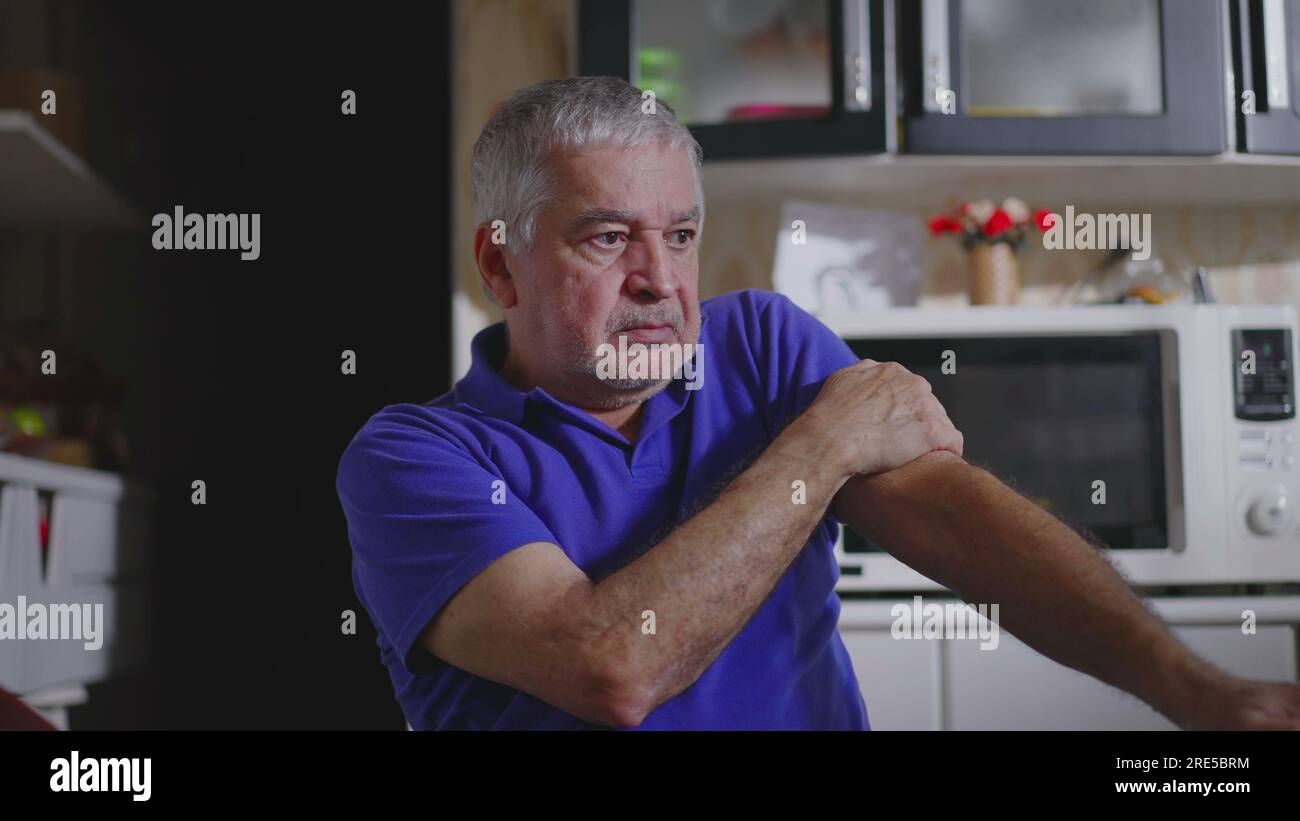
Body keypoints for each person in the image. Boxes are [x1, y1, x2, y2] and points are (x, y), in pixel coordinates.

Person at [336, 75, 1300, 730]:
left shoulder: (758, 341)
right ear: (500, 262)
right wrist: (820, 447)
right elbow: (609, 666)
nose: (660, 280)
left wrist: (1199, 693)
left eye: (680, 234)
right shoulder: (414, 457)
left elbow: (962, 526)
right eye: (606, 238)